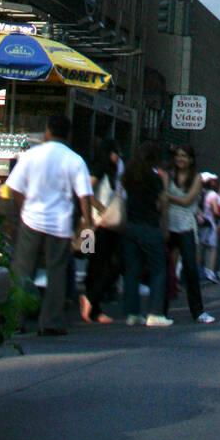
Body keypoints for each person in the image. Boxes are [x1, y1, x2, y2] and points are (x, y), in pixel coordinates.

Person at [8, 113, 94, 337]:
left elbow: (14, 189)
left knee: (23, 271)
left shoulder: (30, 156)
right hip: (60, 224)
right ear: (68, 134)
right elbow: (85, 197)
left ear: (47, 130)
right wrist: (87, 226)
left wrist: (22, 210)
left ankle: (15, 320)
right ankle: (51, 322)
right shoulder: (75, 160)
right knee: (57, 273)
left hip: (31, 219)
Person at [122, 140, 173, 327]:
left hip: (130, 226)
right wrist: (165, 227)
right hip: (150, 226)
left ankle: (132, 313)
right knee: (158, 269)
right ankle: (155, 312)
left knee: (132, 270)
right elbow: (163, 203)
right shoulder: (155, 179)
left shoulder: (128, 176)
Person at [165, 145, 215, 324]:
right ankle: (161, 310)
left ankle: (198, 310)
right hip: (169, 224)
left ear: (191, 159)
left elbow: (188, 201)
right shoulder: (169, 174)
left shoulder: (196, 178)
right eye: (178, 155)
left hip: (186, 225)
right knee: (165, 267)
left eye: (184, 156)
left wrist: (169, 198)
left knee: (191, 269)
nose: (180, 159)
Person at [79, 139, 124, 325]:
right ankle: (92, 304)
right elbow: (85, 191)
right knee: (98, 264)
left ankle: (92, 302)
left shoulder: (115, 172)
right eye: (116, 152)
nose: (119, 156)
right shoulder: (99, 168)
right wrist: (99, 207)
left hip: (107, 225)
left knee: (102, 265)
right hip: (92, 225)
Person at [199, 174, 220, 282]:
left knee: (201, 248)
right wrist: (219, 220)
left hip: (201, 223)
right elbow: (215, 211)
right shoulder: (213, 195)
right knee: (212, 249)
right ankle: (210, 272)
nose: (215, 182)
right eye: (213, 180)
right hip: (211, 224)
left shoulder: (202, 193)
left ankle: (200, 270)